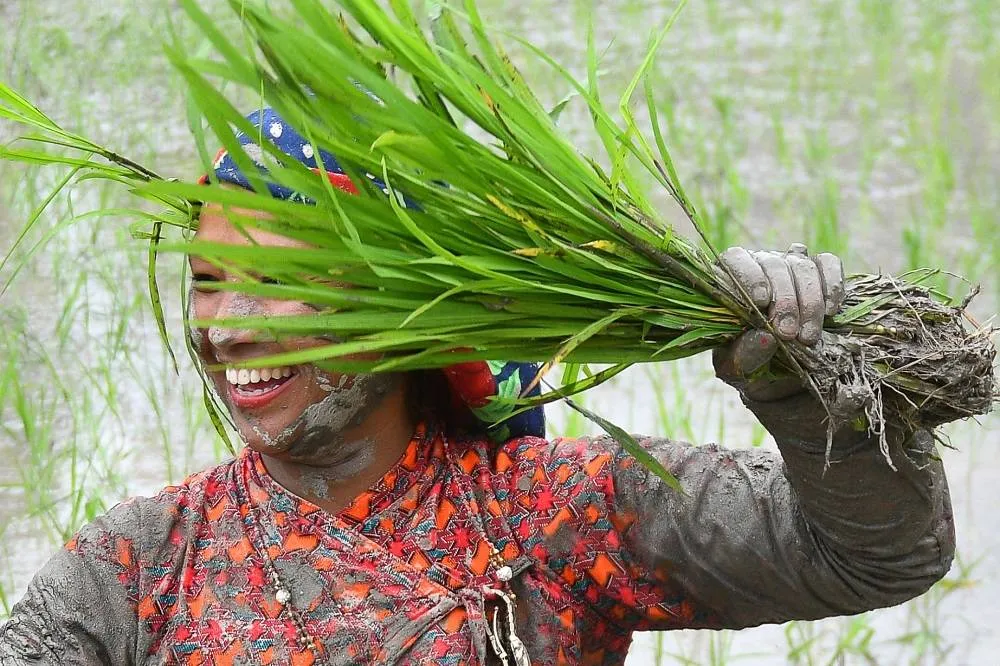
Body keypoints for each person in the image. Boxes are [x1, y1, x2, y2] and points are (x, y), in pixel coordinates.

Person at [0, 109, 955, 666]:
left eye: (280, 281)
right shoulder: (136, 571)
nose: (226, 325)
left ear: (408, 302)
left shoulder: (552, 512)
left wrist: (807, 388)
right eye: (208, 281)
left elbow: (874, 557)